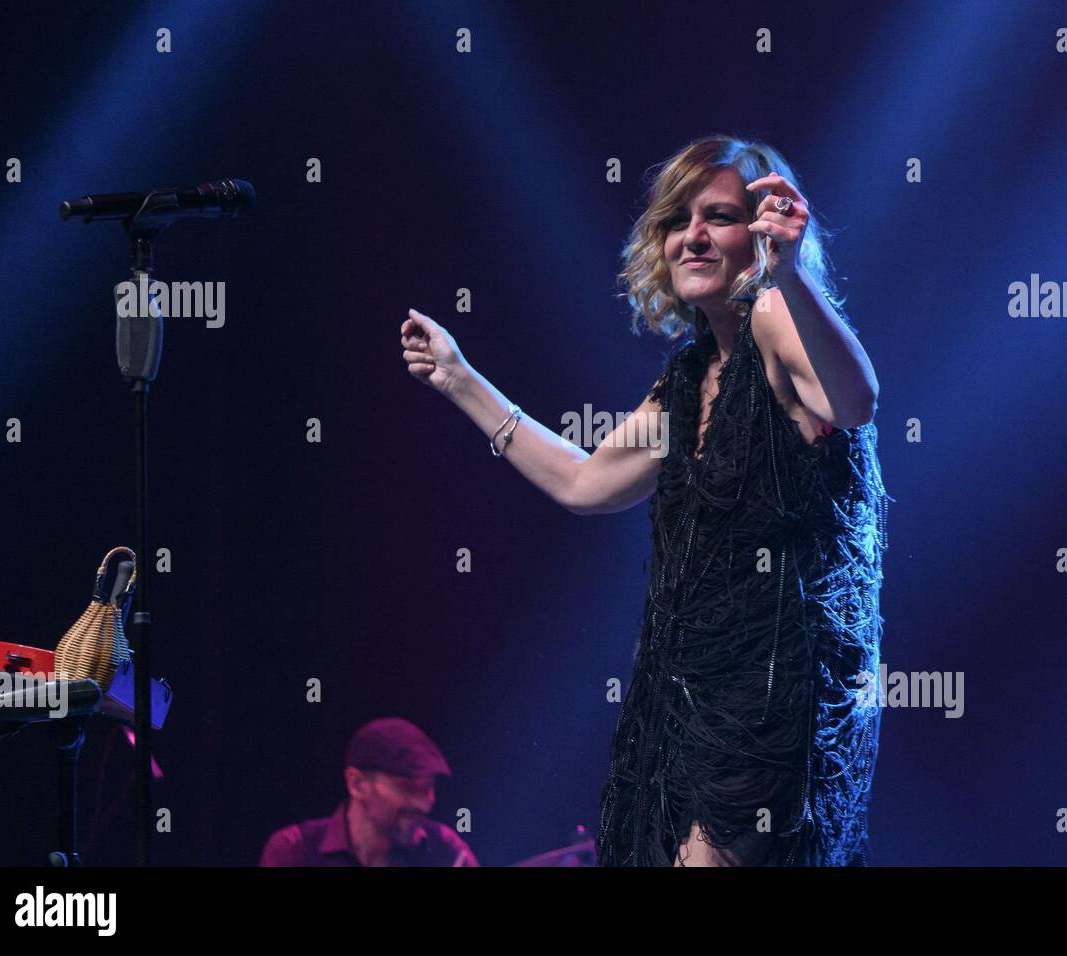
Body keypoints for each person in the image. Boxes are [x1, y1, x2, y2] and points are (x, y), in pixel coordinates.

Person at [401, 134, 891, 866]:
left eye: (718, 216)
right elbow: (583, 481)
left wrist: (788, 277)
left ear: (759, 234)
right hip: (682, 696)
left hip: (768, 695)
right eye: (676, 219)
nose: (691, 236)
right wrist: (460, 380)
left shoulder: (774, 319)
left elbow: (855, 402)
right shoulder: (691, 376)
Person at [259, 717, 477, 867]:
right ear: (357, 784)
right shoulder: (296, 850)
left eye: (428, 788)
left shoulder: (446, 851)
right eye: (407, 788)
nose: (424, 803)